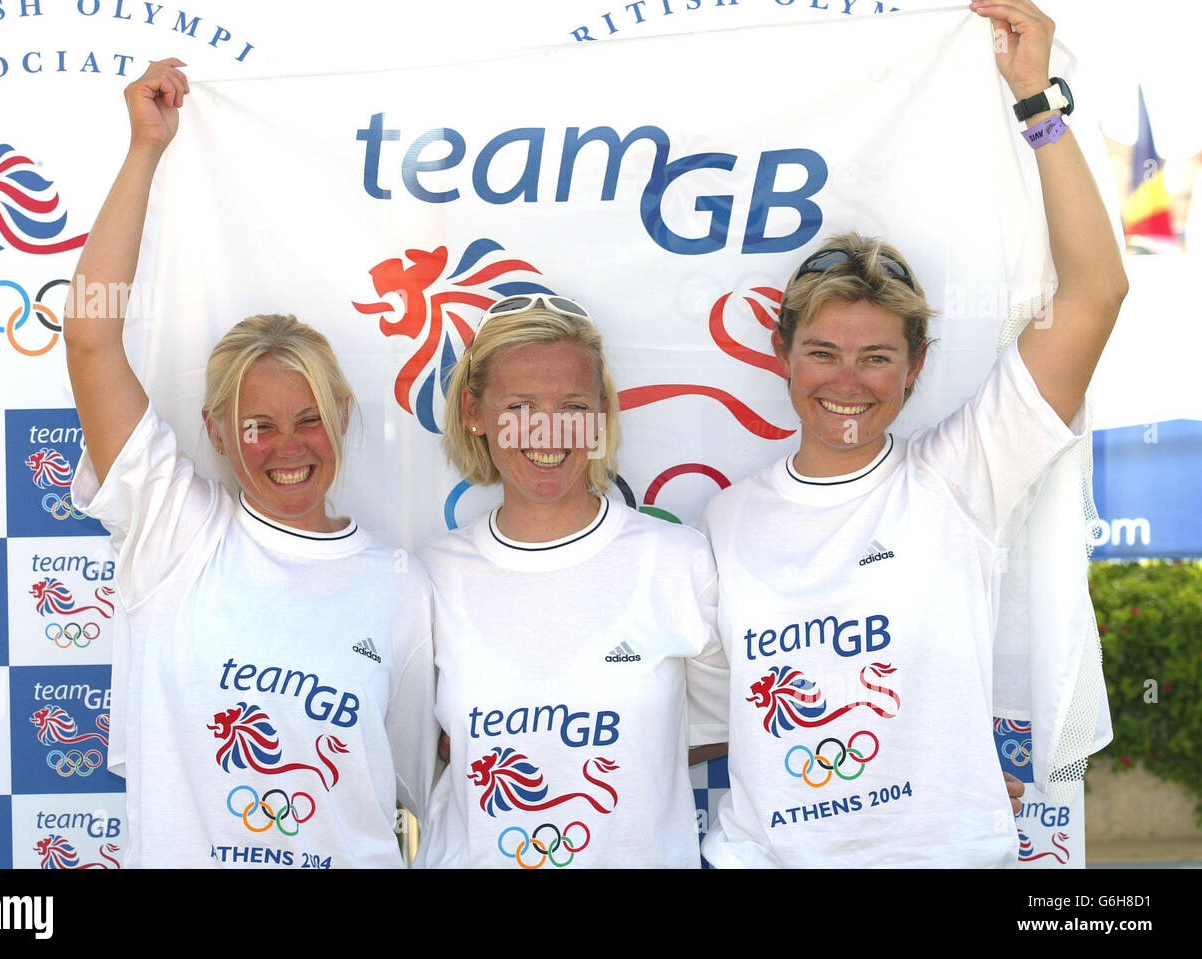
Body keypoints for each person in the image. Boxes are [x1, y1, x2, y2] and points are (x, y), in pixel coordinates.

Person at [700, 0, 1125, 867]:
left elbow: (1094, 295)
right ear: (782, 355)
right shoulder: (726, 520)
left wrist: (1035, 101)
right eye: (822, 352)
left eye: (876, 357)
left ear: (915, 366)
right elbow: (704, 715)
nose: (847, 383)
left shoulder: (961, 474)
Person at [64, 59, 436, 868]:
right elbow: (91, 337)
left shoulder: (399, 583)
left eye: (309, 418)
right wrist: (143, 152)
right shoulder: (175, 533)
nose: (288, 446)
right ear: (218, 433)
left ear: (341, 420)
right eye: (257, 425)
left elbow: (406, 789)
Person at [414, 295, 729, 869]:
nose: (547, 428)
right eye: (519, 405)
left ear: (602, 415)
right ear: (473, 412)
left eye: (573, 405)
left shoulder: (679, 563)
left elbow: (720, 727)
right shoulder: (427, 578)